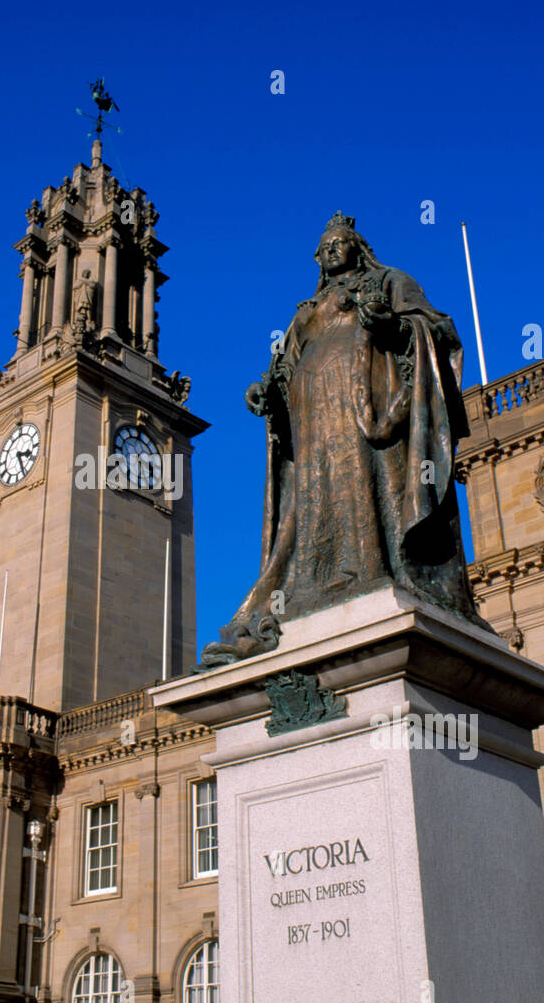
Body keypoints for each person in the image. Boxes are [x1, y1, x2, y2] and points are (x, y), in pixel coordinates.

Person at [201, 211, 484, 665]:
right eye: (325, 245)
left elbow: (437, 329)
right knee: (314, 498)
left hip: (369, 403)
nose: (332, 249)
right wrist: (267, 392)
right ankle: (316, 583)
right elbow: (282, 368)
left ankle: (379, 568)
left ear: (358, 247)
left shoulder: (390, 281)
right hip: (313, 414)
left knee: (374, 484)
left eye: (340, 241)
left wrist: (391, 325)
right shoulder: (305, 313)